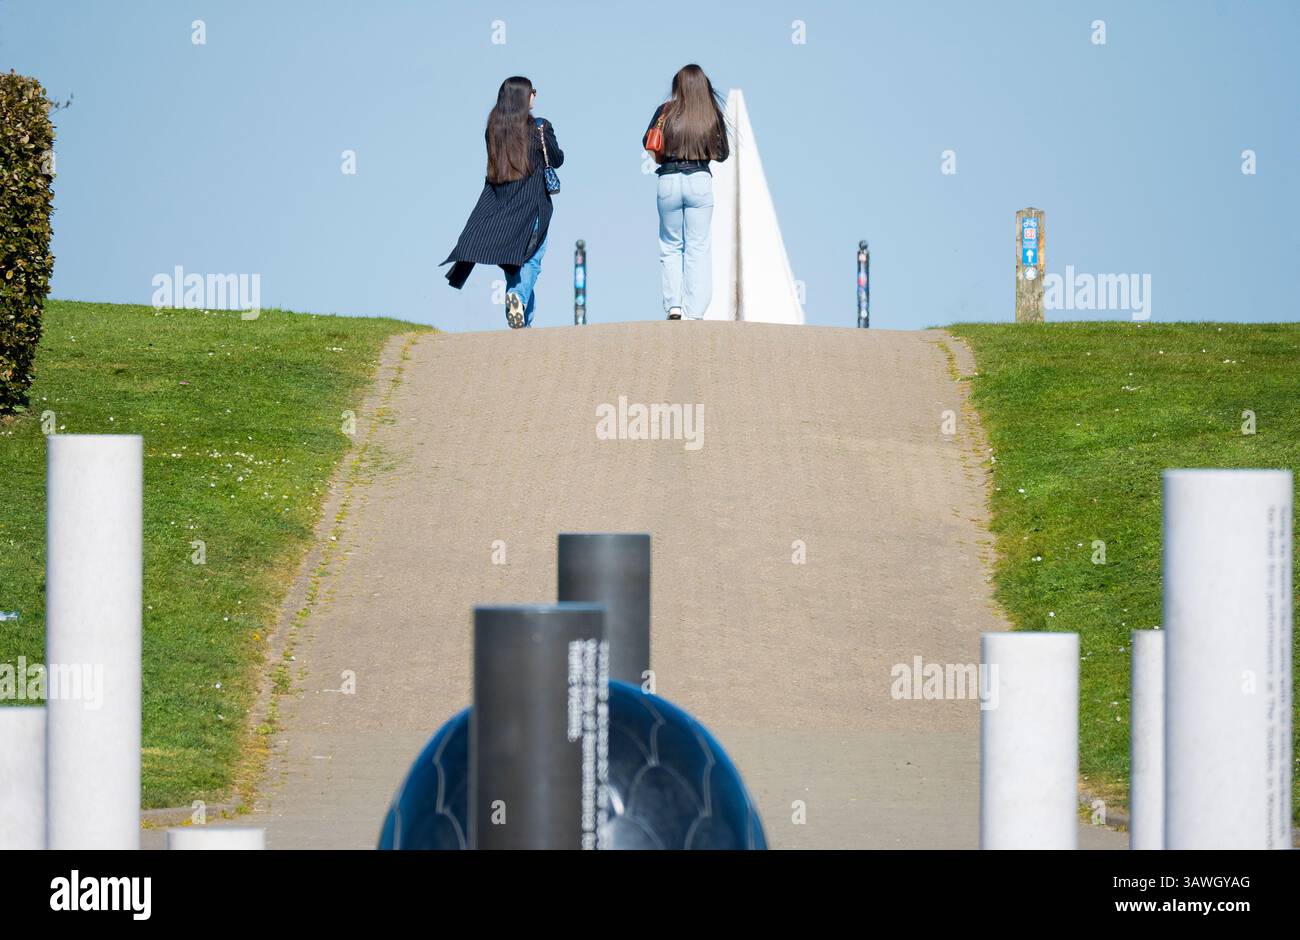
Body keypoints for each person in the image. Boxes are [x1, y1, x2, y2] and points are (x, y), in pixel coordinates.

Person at [443, 76, 563, 329]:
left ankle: (522, 323)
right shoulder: (539, 127)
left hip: (500, 204)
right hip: (532, 204)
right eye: (533, 92)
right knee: (532, 259)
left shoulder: (494, 129)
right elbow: (557, 158)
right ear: (523, 97)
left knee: (514, 261)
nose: (535, 96)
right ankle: (516, 298)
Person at [642, 64, 729, 321]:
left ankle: (674, 307)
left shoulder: (665, 111)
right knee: (698, 247)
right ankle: (695, 312)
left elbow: (646, 140)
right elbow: (723, 153)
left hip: (668, 179)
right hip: (699, 179)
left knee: (670, 245)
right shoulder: (710, 114)